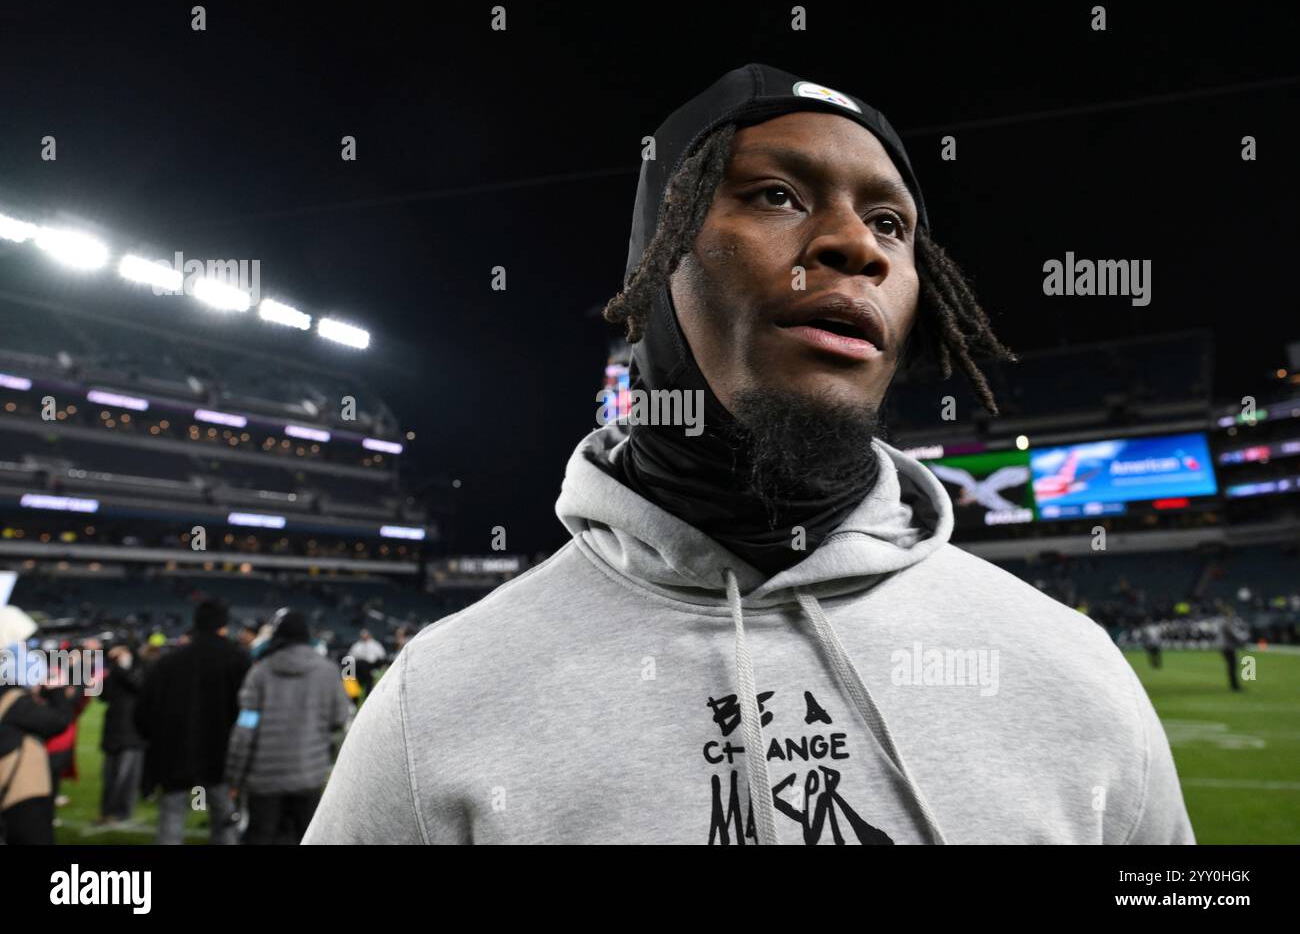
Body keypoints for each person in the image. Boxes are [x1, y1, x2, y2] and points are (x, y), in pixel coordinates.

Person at [304, 63, 1195, 845]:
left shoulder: (1072, 670)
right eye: (776, 195)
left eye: (892, 223)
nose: (856, 246)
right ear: (656, 264)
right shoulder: (442, 699)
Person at [224, 609, 353, 844]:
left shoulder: (259, 673)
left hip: (265, 779)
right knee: (306, 838)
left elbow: (245, 728)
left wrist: (234, 777)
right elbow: (339, 718)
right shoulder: (327, 672)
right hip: (308, 775)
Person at [134, 598, 250, 844]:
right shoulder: (237, 659)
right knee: (225, 819)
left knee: (172, 818)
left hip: (174, 753)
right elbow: (248, 711)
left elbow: (143, 711)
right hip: (221, 754)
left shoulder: (169, 661)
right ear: (223, 625)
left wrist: (154, 739)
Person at [0, 606, 74, 844]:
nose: (26, 651)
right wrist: (57, 691)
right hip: (19, 792)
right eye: (21, 644)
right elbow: (57, 722)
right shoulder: (13, 700)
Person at [97, 641, 147, 824]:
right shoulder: (114, 672)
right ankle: (106, 810)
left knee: (126, 776)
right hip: (113, 731)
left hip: (133, 732)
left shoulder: (141, 669)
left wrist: (121, 668)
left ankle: (121, 812)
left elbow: (138, 686)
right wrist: (112, 669)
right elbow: (102, 695)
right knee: (109, 776)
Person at [346, 629, 385, 697]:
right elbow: (350, 657)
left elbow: (381, 656)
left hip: (371, 667)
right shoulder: (357, 645)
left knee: (368, 683)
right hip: (359, 669)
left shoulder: (376, 645)